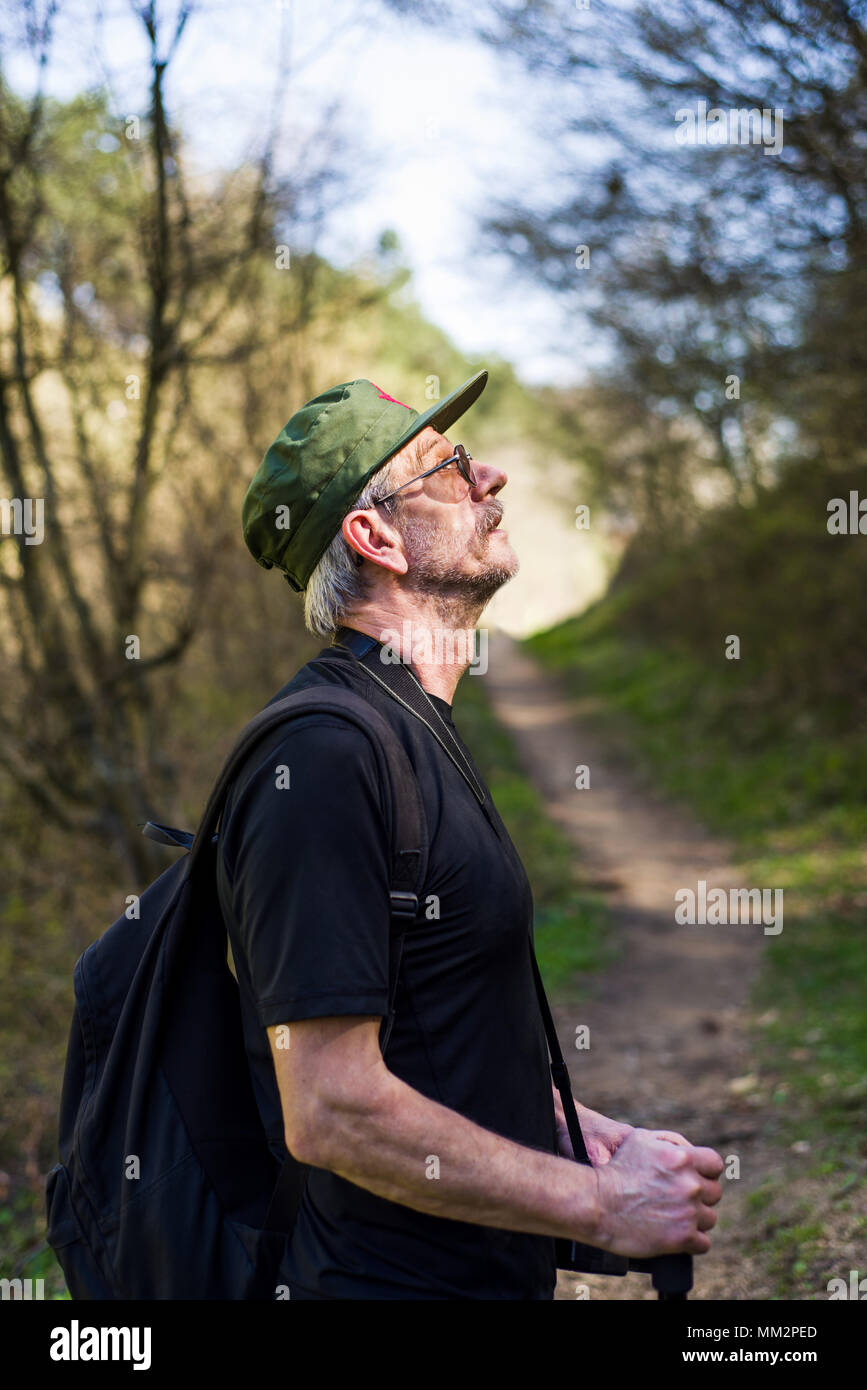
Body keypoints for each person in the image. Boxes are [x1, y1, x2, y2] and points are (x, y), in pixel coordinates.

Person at [217, 370, 724, 1299]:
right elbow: (329, 1106)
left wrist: (580, 1135)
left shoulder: (412, 726)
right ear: (373, 538)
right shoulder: (324, 759)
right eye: (446, 467)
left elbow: (434, 1038)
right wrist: (600, 1207)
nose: (488, 476)